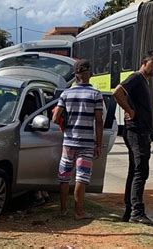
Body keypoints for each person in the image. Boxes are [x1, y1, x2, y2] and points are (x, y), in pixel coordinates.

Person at [113, 50, 153, 226]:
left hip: (141, 132)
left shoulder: (143, 82)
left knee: (136, 170)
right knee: (140, 171)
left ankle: (129, 210)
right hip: (136, 132)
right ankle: (137, 212)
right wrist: (130, 110)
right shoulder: (136, 78)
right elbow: (117, 93)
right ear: (144, 63)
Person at [52, 59, 103, 220]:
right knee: (82, 177)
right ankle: (78, 212)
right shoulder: (96, 94)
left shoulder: (66, 94)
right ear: (91, 74)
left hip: (68, 142)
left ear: (75, 75)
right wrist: (99, 144)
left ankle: (62, 210)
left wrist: (65, 123)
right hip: (87, 143)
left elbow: (54, 118)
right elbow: (99, 121)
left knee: (64, 176)